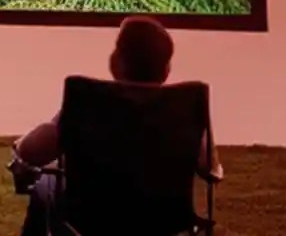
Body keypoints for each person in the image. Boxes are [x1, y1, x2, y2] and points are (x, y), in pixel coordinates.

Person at [13, 16, 223, 236]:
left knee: (44, 184)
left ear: (115, 62)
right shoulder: (183, 108)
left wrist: (37, 134)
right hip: (163, 223)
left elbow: (31, 153)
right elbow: (211, 169)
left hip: (89, 222)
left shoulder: (86, 102)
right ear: (166, 70)